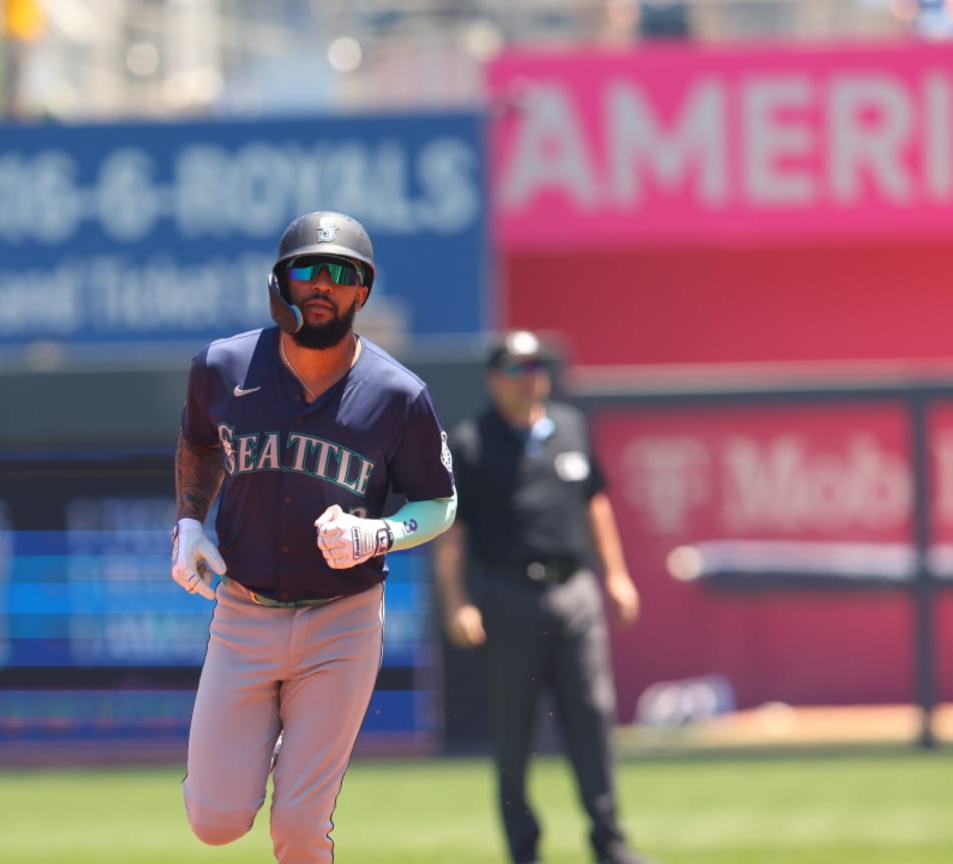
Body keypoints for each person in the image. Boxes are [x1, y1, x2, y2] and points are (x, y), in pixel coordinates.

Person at [171, 210, 458, 863]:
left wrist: (379, 532)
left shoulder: (397, 394)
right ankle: (264, 744)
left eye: (343, 274)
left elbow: (440, 503)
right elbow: (198, 445)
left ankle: (293, 751)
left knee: (300, 829)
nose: (324, 285)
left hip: (342, 621)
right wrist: (190, 521)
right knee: (215, 822)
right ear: (281, 282)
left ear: (363, 293)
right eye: (309, 270)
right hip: (244, 611)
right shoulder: (222, 367)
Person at [433, 329, 653, 864]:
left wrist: (617, 576)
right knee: (513, 731)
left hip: (575, 591)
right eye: (516, 367)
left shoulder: (572, 429)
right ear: (493, 378)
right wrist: (457, 602)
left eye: (537, 366)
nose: (529, 376)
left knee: (593, 719)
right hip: (508, 595)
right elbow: (452, 532)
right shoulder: (471, 442)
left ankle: (609, 841)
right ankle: (524, 848)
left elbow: (594, 506)